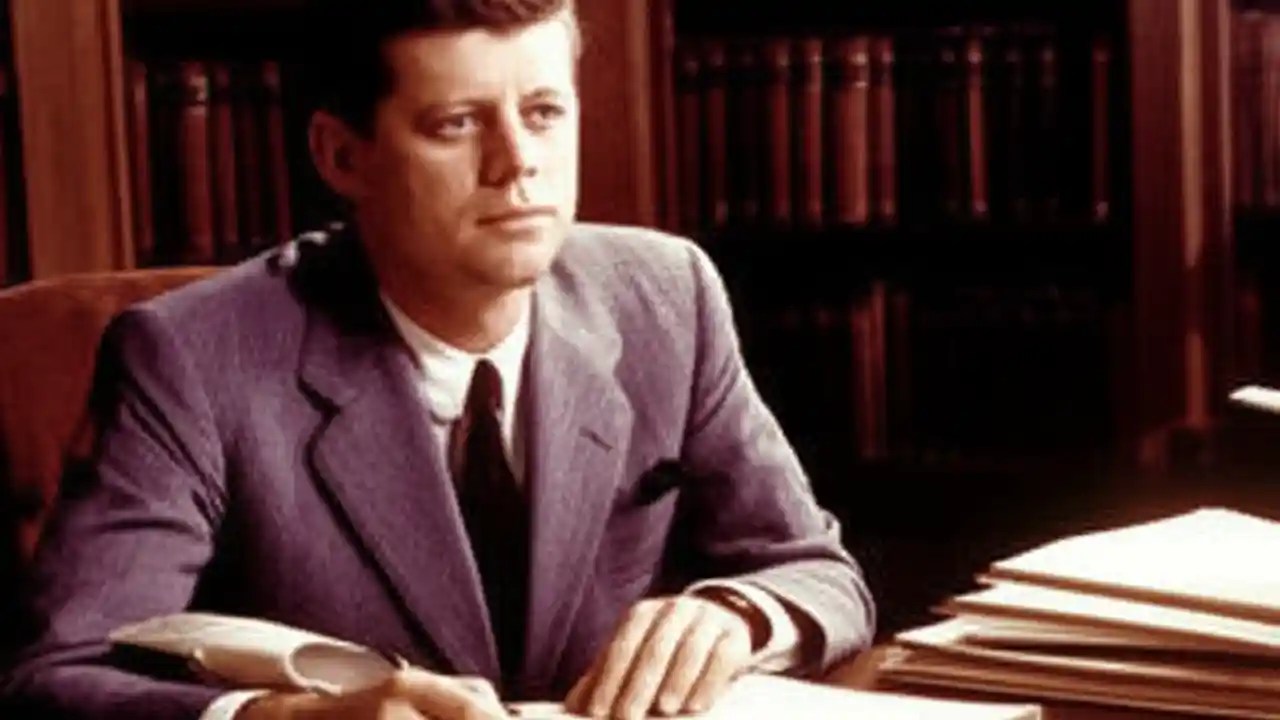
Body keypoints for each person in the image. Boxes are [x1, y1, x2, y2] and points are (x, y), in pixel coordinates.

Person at [0, 0, 875, 718]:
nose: (517, 164)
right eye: (457, 124)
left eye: (543, 113)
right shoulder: (192, 359)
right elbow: (58, 677)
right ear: (343, 157)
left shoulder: (667, 297)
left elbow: (820, 573)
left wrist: (736, 614)